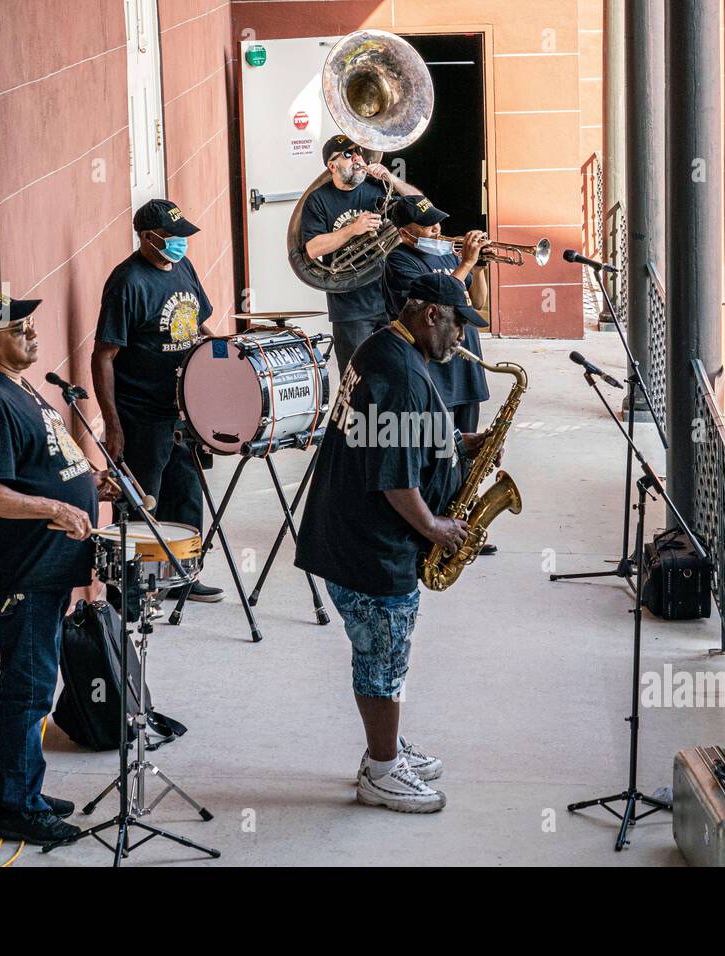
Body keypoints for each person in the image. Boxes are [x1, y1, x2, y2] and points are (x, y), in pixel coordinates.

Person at [295, 273, 498, 813]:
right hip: (370, 548)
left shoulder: (381, 347)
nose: (462, 338)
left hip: (347, 535)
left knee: (385, 658)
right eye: (457, 324)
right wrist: (435, 528)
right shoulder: (403, 375)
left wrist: (460, 442)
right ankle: (381, 771)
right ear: (430, 313)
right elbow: (393, 479)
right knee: (383, 659)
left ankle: (383, 746)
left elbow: (397, 431)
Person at [0, 291, 119, 845]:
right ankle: (17, 808)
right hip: (24, 568)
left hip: (50, 566)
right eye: (17, 328)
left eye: (29, 324)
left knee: (35, 682)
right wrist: (53, 506)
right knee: (28, 688)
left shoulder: (22, 387)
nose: (30, 333)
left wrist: (91, 483)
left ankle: (11, 788)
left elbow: (42, 464)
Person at [91, 198, 223, 602]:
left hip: (184, 407)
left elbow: (198, 323)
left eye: (183, 235)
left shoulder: (182, 265)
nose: (181, 243)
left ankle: (182, 577)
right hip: (141, 413)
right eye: (172, 237)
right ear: (148, 238)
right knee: (140, 502)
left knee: (185, 492)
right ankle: (127, 595)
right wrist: (113, 423)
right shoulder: (127, 282)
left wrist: (223, 355)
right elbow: (103, 356)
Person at [384, 194, 498, 555]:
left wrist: (477, 269)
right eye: (427, 224)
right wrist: (465, 262)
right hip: (434, 366)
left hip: (464, 360)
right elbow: (440, 297)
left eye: (437, 221)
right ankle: (431, 525)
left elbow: (473, 302)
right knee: (436, 447)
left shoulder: (448, 253)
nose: (436, 228)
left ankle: (464, 522)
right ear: (405, 232)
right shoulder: (399, 260)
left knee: (468, 449)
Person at [300, 133, 421, 376]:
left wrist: (391, 178)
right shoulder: (319, 200)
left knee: (398, 373)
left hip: (390, 297)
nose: (357, 158)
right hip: (350, 306)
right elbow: (312, 249)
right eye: (348, 154)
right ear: (332, 166)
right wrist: (353, 229)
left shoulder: (377, 187)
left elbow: (420, 205)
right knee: (357, 377)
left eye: (359, 152)